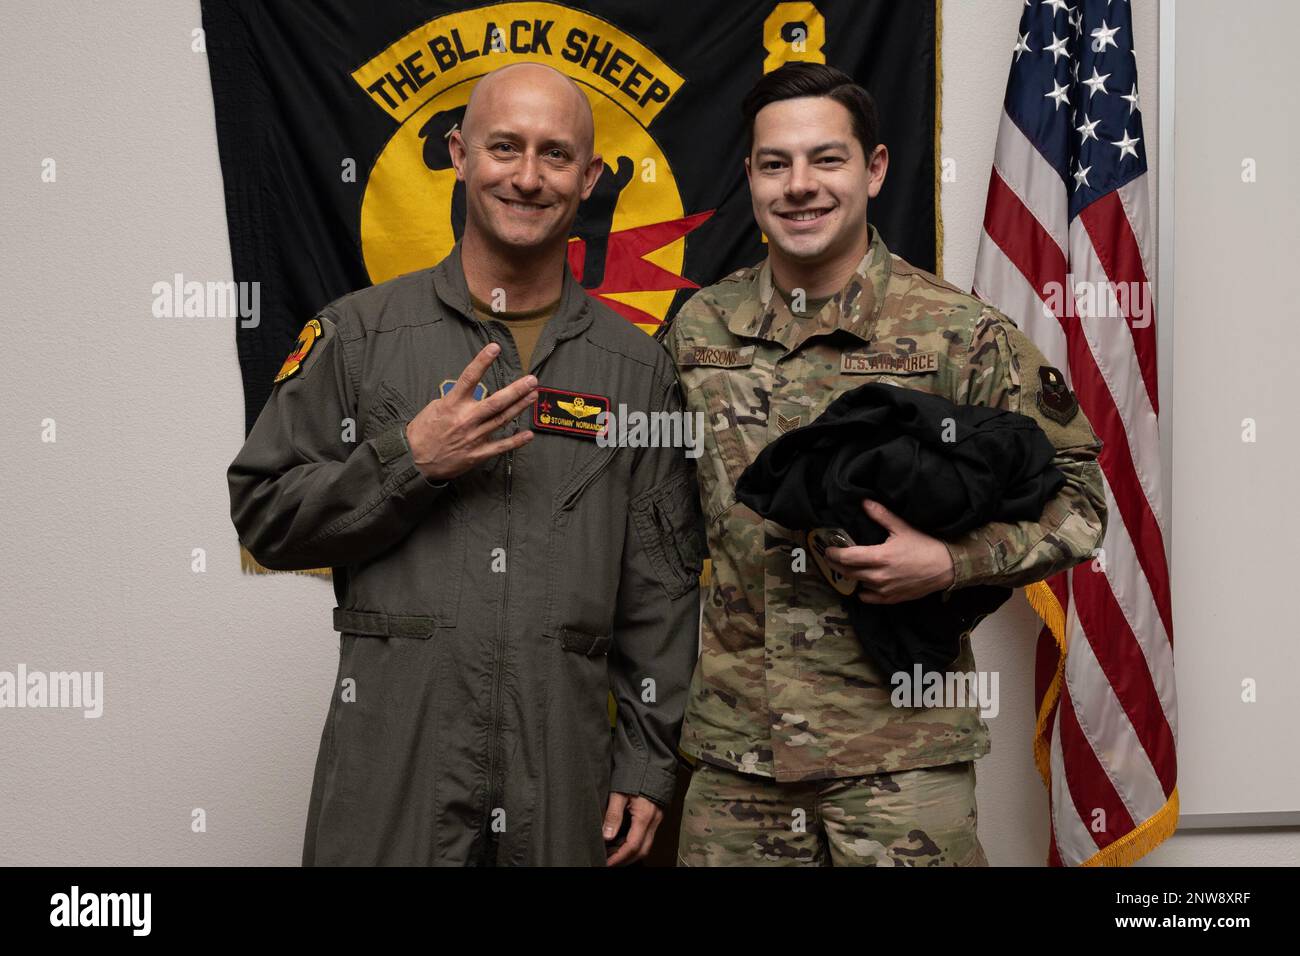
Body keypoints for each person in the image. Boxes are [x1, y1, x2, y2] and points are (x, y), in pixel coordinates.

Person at [227, 62, 703, 866]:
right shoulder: (359, 337)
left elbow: (662, 592)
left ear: (589, 177)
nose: (527, 176)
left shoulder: (638, 371)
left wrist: (651, 760)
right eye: (504, 147)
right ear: (458, 153)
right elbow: (264, 514)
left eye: (555, 155)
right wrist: (408, 460)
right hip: (395, 752)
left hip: (563, 759)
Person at [659, 63, 1107, 866]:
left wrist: (951, 561)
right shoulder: (700, 328)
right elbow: (657, 523)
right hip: (737, 764)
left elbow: (1082, 499)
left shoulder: (958, 333)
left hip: (904, 758)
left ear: (874, 169)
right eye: (774, 164)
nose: (799, 186)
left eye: (827, 159)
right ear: (751, 177)